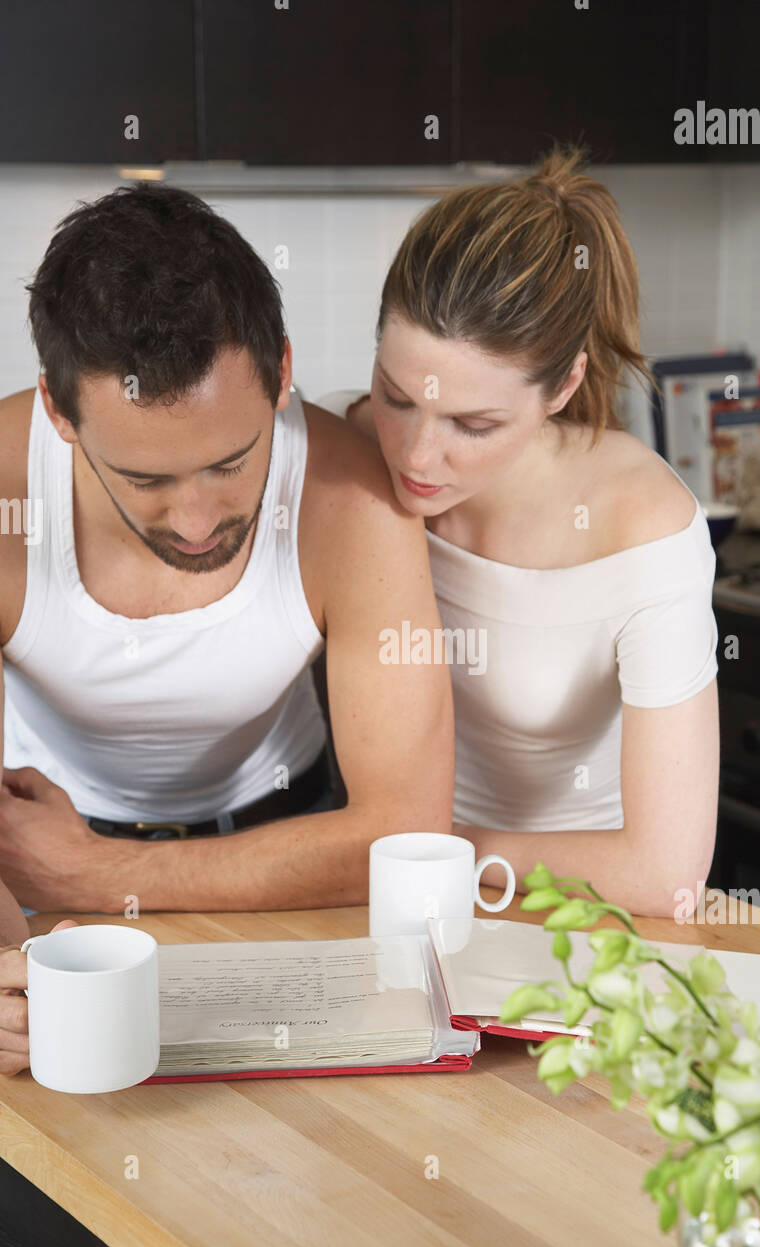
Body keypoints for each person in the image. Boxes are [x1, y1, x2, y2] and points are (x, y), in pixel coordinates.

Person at [0, 181, 454, 944]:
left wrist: (98, 872)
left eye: (232, 462)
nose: (199, 521)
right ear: (58, 410)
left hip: (296, 871)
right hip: (35, 879)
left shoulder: (355, 503)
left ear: (282, 372)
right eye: (146, 479)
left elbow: (407, 834)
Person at [319, 144, 720, 919]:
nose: (417, 454)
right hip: (390, 900)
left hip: (579, 920)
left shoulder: (643, 526)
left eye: (474, 424)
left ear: (564, 384)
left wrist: (400, 850)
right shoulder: (340, 448)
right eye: (398, 397)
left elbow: (666, 873)